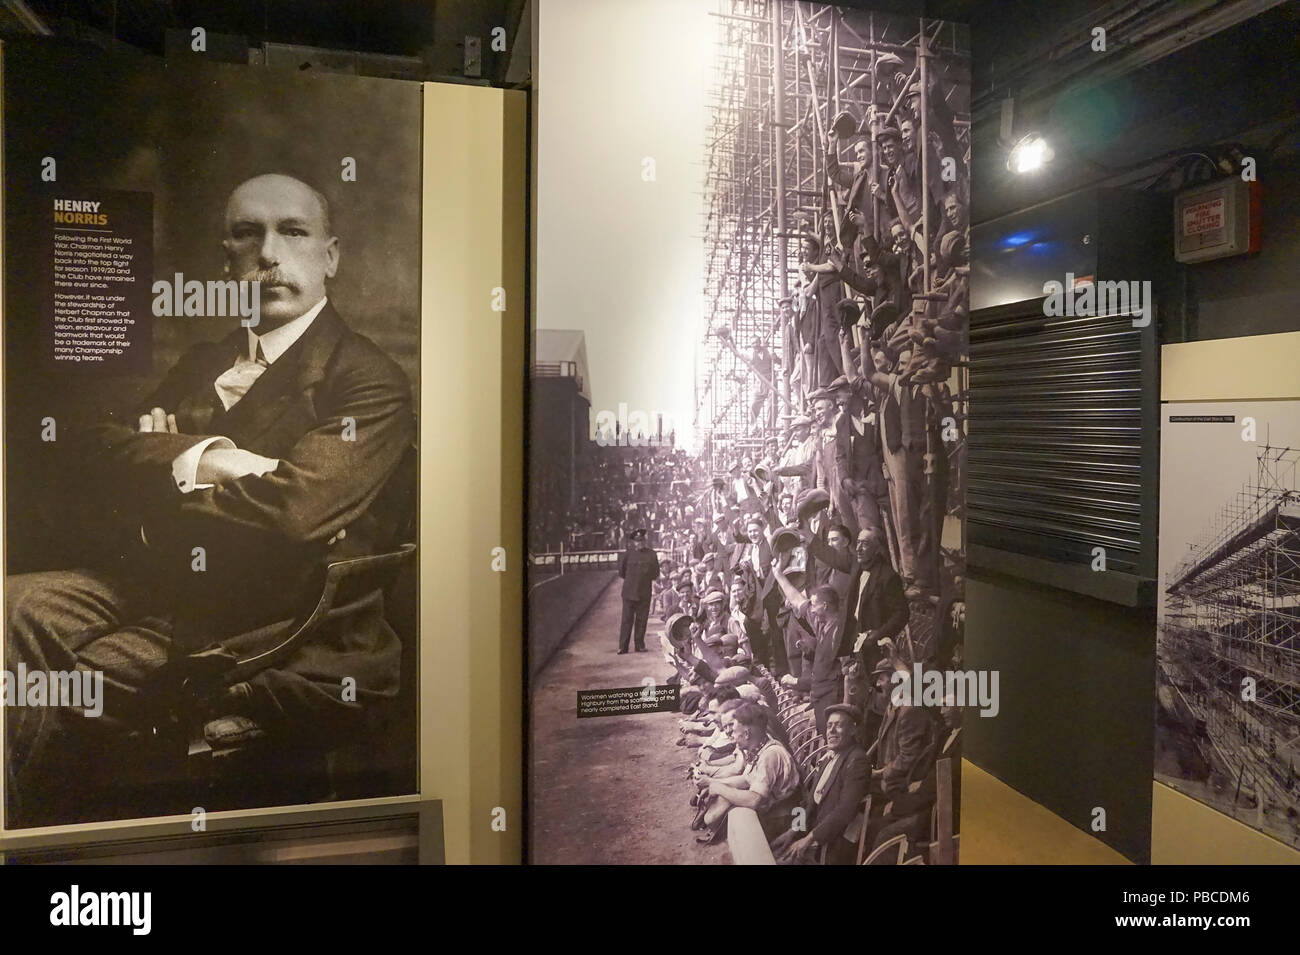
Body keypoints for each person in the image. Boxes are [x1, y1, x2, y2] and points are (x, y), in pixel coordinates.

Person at [6, 173, 416, 824]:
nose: (270, 253)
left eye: (293, 231)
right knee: (9, 606)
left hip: (273, 618)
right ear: (227, 259)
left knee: (49, 686)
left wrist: (158, 482)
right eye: (248, 233)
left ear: (330, 256)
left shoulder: (368, 381)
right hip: (160, 585)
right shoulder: (203, 361)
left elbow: (288, 520)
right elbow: (86, 456)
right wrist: (210, 460)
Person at [773, 703, 870, 865]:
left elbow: (845, 811)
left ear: (853, 730)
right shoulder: (830, 756)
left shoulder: (858, 760)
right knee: (770, 848)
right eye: (829, 726)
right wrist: (793, 830)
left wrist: (808, 839)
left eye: (838, 726)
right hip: (812, 829)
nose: (831, 731)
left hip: (831, 842)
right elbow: (810, 802)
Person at [695, 701, 800, 844]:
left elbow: (754, 800)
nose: (732, 736)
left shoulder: (770, 755)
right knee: (725, 801)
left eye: (734, 732)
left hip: (786, 818)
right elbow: (747, 779)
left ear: (746, 734)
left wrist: (720, 788)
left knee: (736, 817)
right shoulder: (761, 745)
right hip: (775, 809)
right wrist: (712, 783)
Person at [617, 527, 660, 653]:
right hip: (629, 592)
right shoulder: (627, 554)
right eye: (637, 541)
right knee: (626, 620)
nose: (639, 543)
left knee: (642, 620)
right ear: (633, 542)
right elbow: (622, 572)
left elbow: (655, 573)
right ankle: (623, 646)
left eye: (641, 541)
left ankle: (639, 645)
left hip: (644, 592)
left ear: (644, 541)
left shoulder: (652, 554)